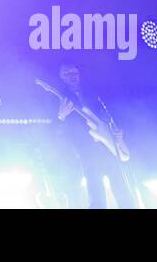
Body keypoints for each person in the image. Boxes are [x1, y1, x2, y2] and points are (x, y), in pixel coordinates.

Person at [52, 61, 134, 209]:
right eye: (67, 74)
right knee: (96, 195)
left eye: (74, 73)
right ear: (61, 77)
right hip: (86, 152)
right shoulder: (58, 98)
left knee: (123, 191)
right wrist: (60, 117)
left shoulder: (93, 94)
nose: (72, 76)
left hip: (108, 148)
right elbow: (54, 132)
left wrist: (116, 132)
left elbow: (109, 115)